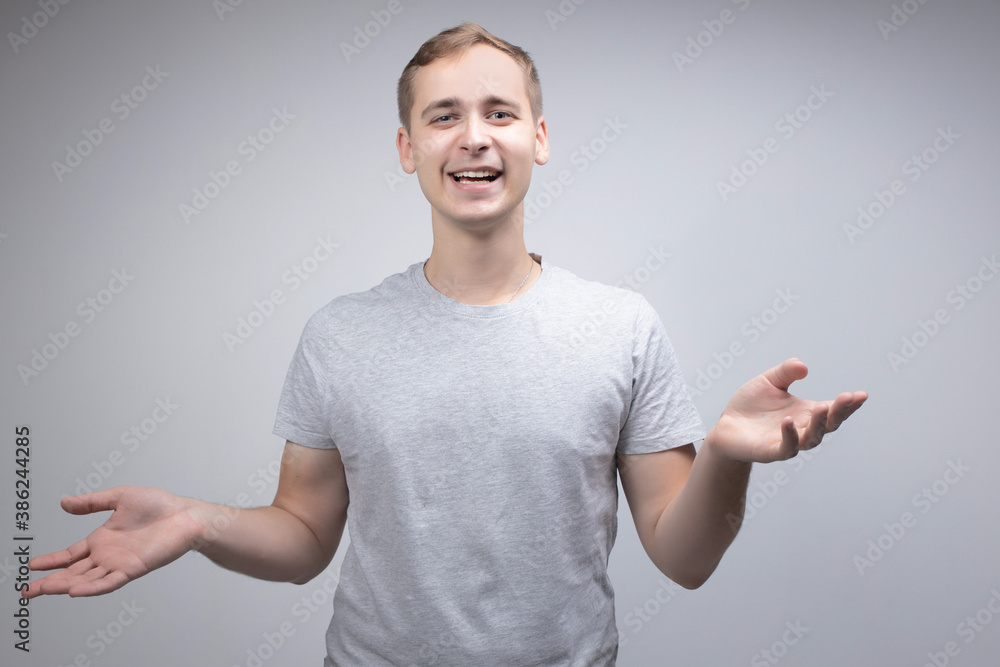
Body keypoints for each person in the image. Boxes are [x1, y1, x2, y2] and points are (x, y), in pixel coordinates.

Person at [23, 23, 867, 666]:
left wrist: (726, 455)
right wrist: (198, 521)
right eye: (443, 116)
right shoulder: (340, 333)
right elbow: (306, 536)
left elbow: (683, 558)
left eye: (500, 112)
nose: (474, 136)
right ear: (408, 149)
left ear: (538, 137)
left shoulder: (621, 325)